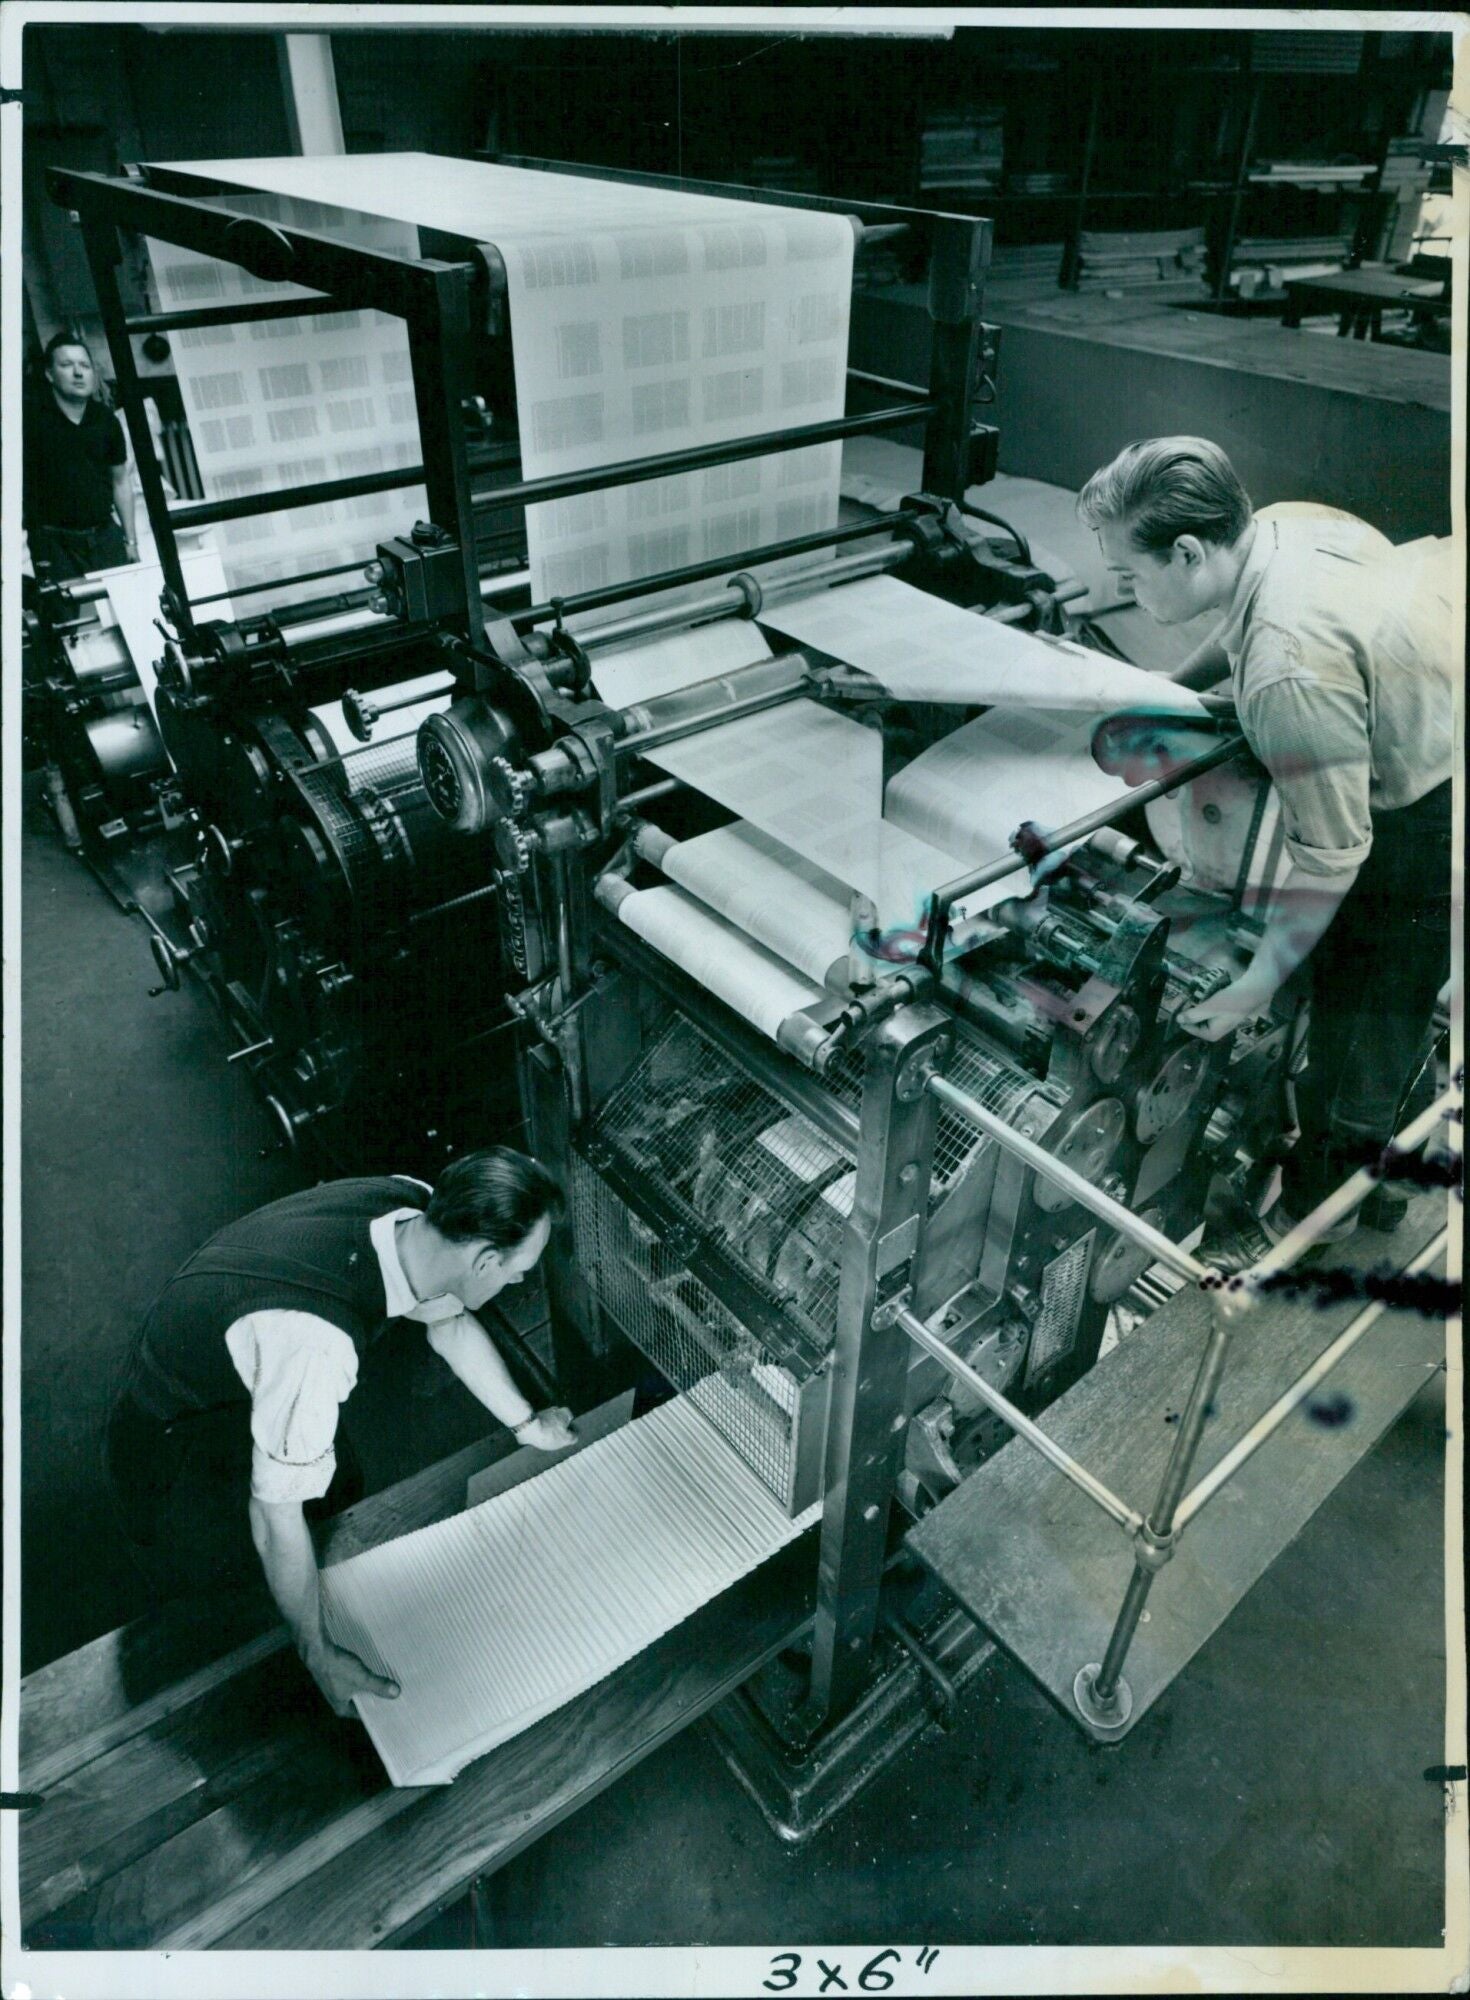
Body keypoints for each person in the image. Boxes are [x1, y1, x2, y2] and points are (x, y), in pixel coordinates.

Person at [1077, 438, 1455, 1268]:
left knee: (1360, 1029)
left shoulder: (1288, 670)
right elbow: (1240, 636)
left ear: (1188, 551)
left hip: (1424, 816)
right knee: (1388, 1014)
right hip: (1426, 717)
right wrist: (1168, 693)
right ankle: (1390, 1170)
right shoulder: (1278, 525)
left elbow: (1332, 858)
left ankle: (1318, 1222)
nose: (1126, 591)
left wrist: (1252, 987)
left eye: (1131, 575)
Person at [106, 1148, 576, 1713]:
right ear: (483, 1262)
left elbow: (449, 1321)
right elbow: (274, 1517)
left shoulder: (412, 1206)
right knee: (231, 1603)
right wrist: (319, 1653)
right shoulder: (316, 1347)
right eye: (519, 1270)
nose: (521, 1280)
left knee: (335, 1489)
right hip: (178, 1437)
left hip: (224, 1356)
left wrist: (527, 1426)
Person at [24, 330, 138, 579]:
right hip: (54, 542)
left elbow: (120, 482)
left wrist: (131, 541)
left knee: (125, 599)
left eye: (84, 366)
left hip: (104, 535)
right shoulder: (30, 420)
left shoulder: (106, 420)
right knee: (69, 605)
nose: (78, 373)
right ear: (49, 374)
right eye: (67, 365)